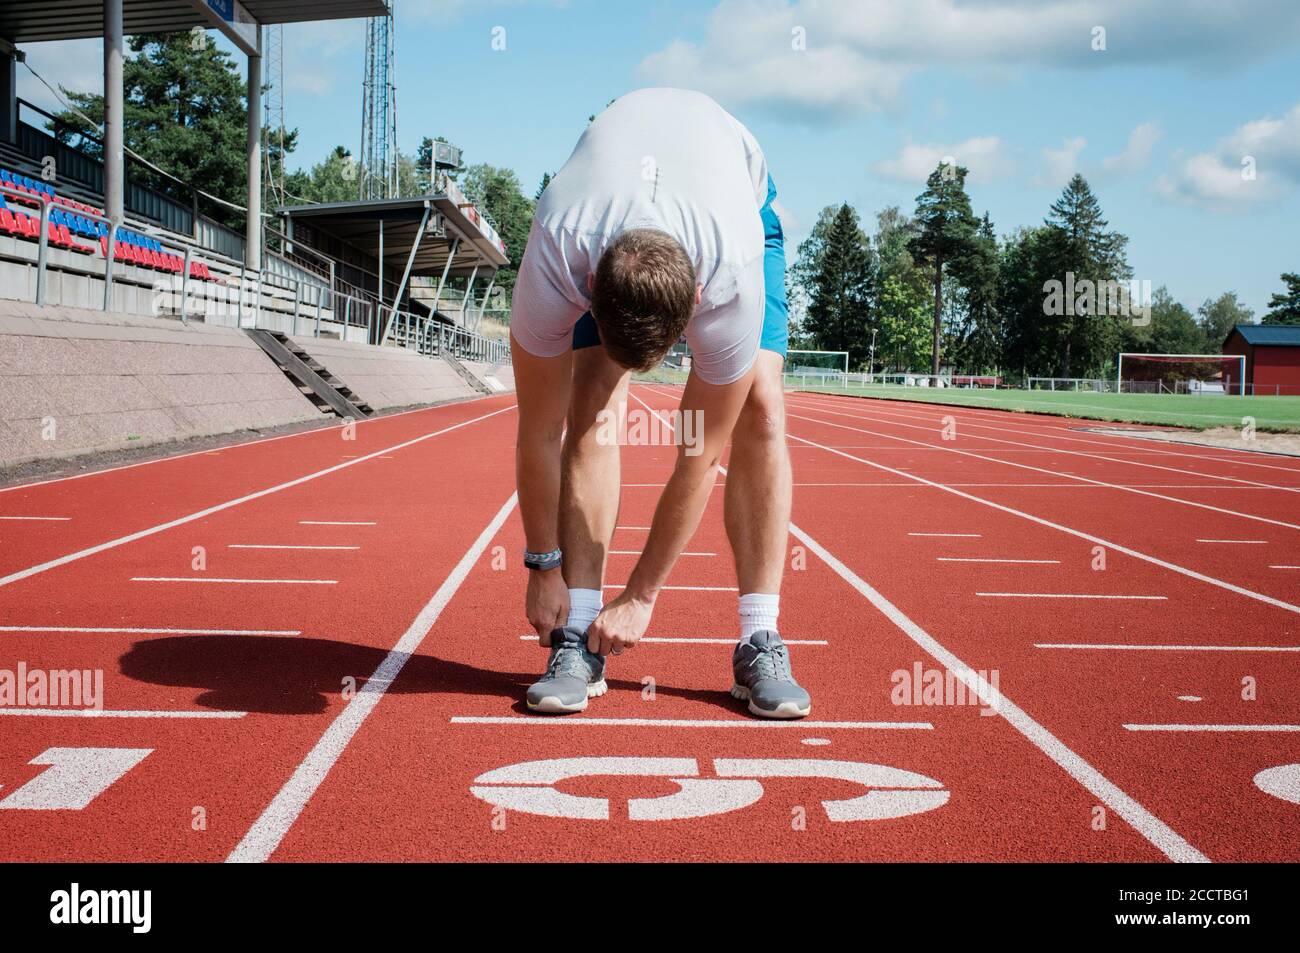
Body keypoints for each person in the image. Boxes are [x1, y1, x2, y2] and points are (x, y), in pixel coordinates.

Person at [510, 87, 808, 719]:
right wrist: (542, 567)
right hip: (607, 194)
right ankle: (577, 634)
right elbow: (537, 428)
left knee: (760, 406)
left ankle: (761, 637)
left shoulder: (731, 266)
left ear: (698, 300)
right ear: (588, 288)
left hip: (739, 195)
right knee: (590, 398)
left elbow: (699, 458)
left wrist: (643, 594)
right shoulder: (560, 246)